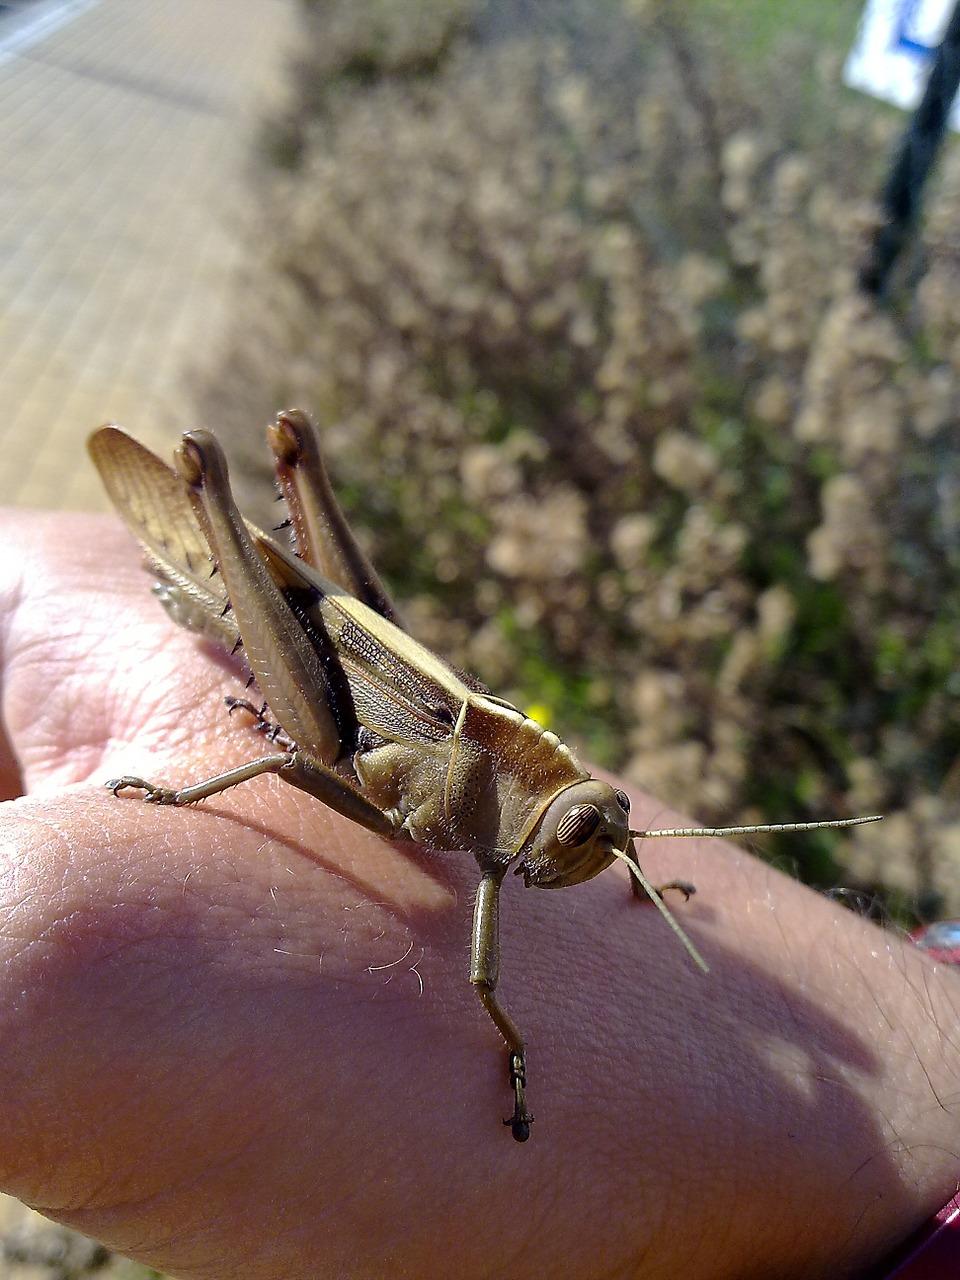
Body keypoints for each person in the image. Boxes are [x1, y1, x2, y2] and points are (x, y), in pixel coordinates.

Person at [0, 509, 957, 1280]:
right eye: (592, 835)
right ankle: (213, 495)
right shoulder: (475, 788)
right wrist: (176, 801)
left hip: (375, 673)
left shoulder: (529, 799)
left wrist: (635, 869)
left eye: (605, 834)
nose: (601, 849)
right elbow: (316, 781)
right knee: (304, 757)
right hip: (284, 652)